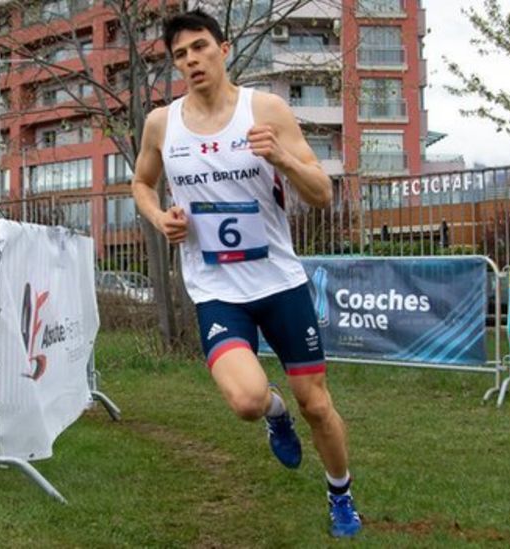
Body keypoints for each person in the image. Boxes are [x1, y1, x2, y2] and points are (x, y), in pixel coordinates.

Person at [131, 10, 361, 538]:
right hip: (216, 288)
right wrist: (158, 216)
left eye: (200, 47)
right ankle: (275, 414)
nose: (191, 60)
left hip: (279, 282)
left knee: (319, 406)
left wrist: (281, 156)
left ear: (224, 48)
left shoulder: (266, 109)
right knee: (246, 401)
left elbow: (322, 194)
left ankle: (340, 493)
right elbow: (142, 184)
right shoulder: (162, 123)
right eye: (180, 54)